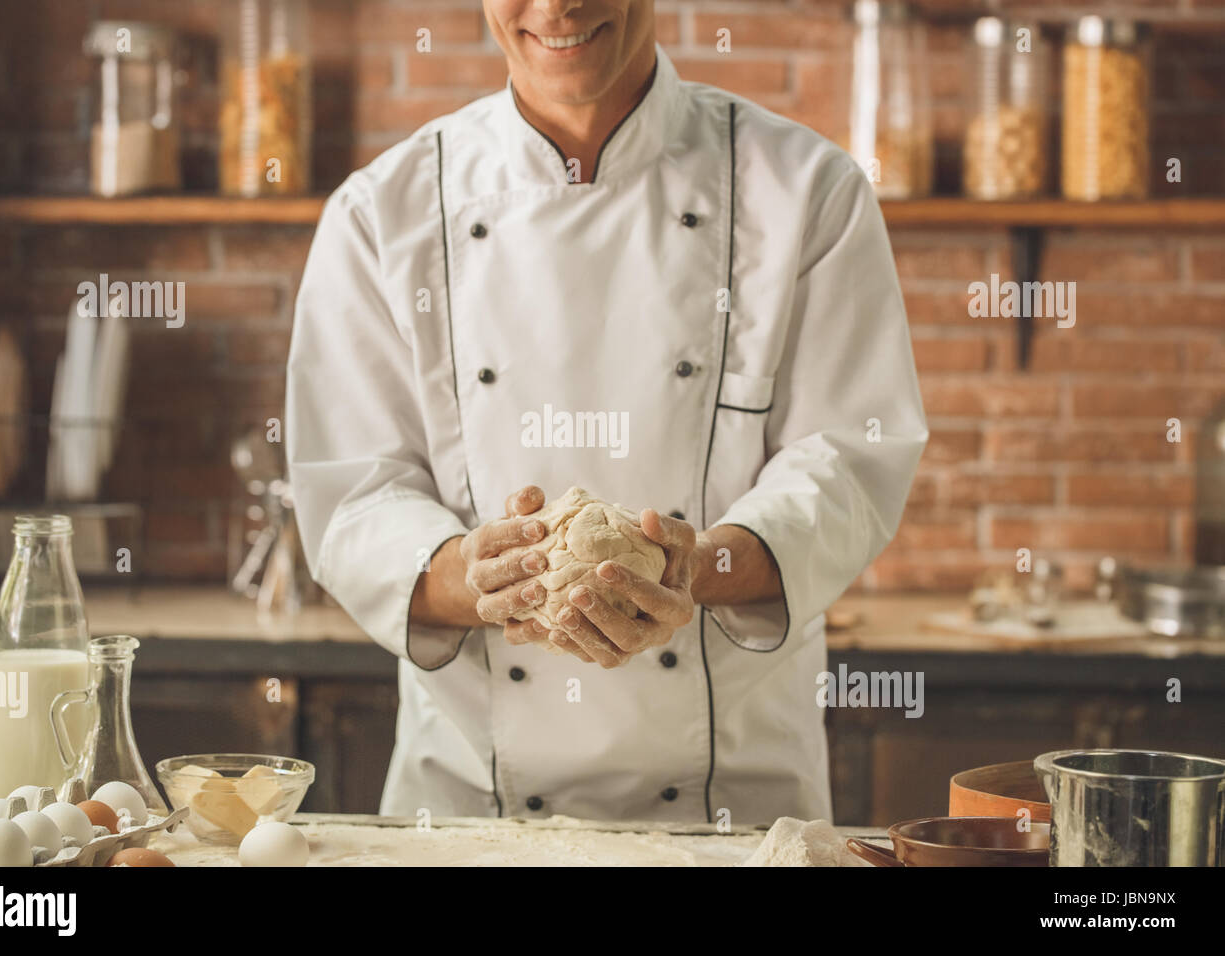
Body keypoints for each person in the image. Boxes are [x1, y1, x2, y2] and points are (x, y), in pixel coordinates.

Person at [286, 0, 927, 824]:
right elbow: (352, 496)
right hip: (471, 820)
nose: (557, 7)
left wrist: (696, 570)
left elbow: (846, 466)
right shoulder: (382, 213)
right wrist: (476, 577)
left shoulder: (808, 190)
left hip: (729, 815)